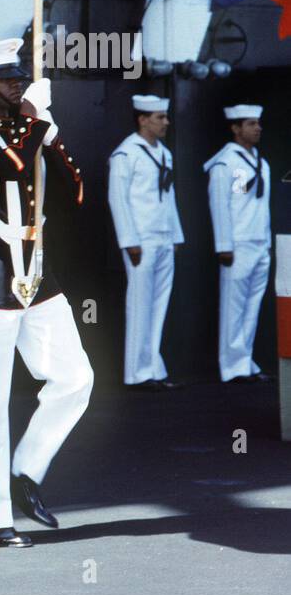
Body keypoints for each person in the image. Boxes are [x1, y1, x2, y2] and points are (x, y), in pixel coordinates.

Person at [0, 39, 93, 544]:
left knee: (75, 379)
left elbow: (75, 190)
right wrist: (38, 121)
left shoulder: (31, 130)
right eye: (4, 77)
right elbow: (8, 165)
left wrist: (52, 132)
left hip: (37, 269)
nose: (16, 83)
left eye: (18, 76)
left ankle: (25, 473)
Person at [107, 94, 184, 391]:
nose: (166, 122)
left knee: (158, 305)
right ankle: (136, 373)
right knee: (140, 305)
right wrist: (130, 241)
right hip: (141, 239)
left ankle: (153, 367)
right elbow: (119, 200)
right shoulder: (127, 154)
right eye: (159, 118)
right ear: (142, 119)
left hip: (163, 237)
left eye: (165, 117)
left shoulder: (164, 153)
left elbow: (169, 197)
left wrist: (176, 234)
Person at [204, 104, 273, 384]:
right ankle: (232, 365)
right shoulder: (226, 163)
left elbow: (260, 206)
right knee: (234, 307)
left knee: (252, 307)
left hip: (259, 242)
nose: (258, 128)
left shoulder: (261, 161)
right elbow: (220, 205)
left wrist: (267, 242)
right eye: (251, 124)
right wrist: (224, 244)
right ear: (236, 128)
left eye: (258, 123)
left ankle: (245, 361)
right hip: (238, 243)